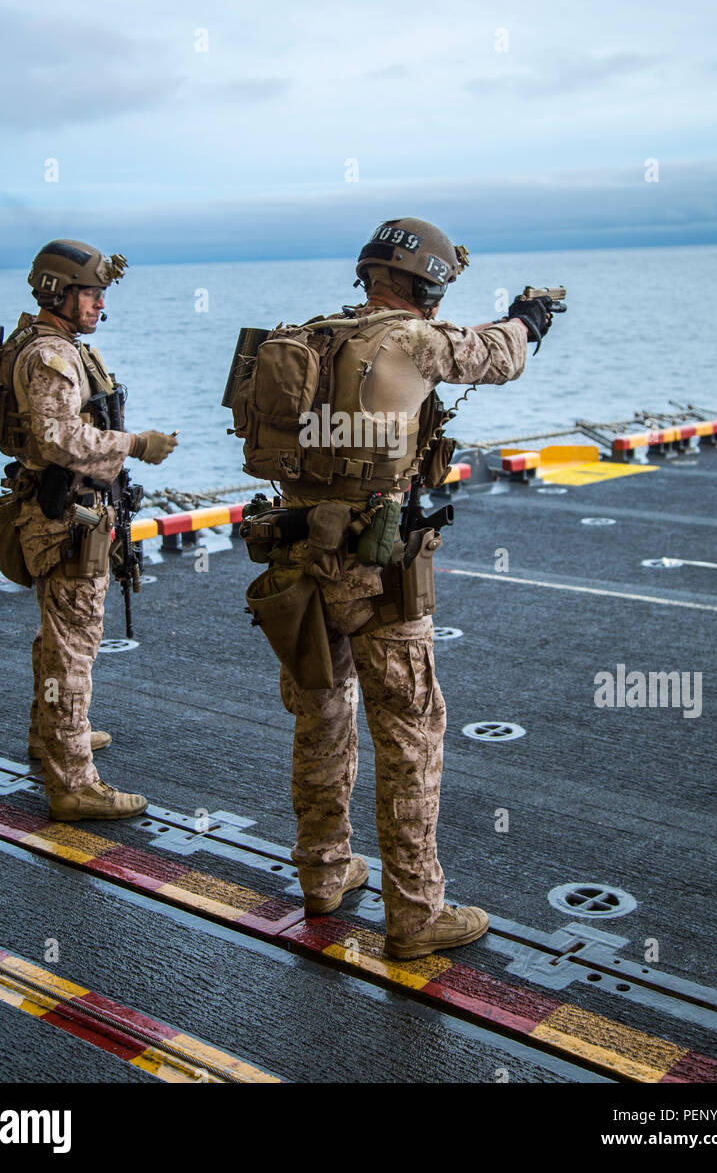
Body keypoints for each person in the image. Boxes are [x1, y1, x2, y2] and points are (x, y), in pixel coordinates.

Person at [239, 218, 555, 959]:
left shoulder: (313, 337)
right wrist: (529, 316)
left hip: (301, 560)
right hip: (381, 571)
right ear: (427, 285)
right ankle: (414, 914)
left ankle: (322, 874)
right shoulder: (414, 341)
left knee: (320, 716)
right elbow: (499, 357)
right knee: (410, 732)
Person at [6, 239, 177, 821]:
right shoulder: (53, 355)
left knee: (58, 639)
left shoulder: (53, 346)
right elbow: (57, 439)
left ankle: (49, 734)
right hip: (66, 521)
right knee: (72, 650)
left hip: (63, 516)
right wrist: (135, 444)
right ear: (58, 291)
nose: (100, 304)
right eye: (91, 293)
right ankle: (74, 782)